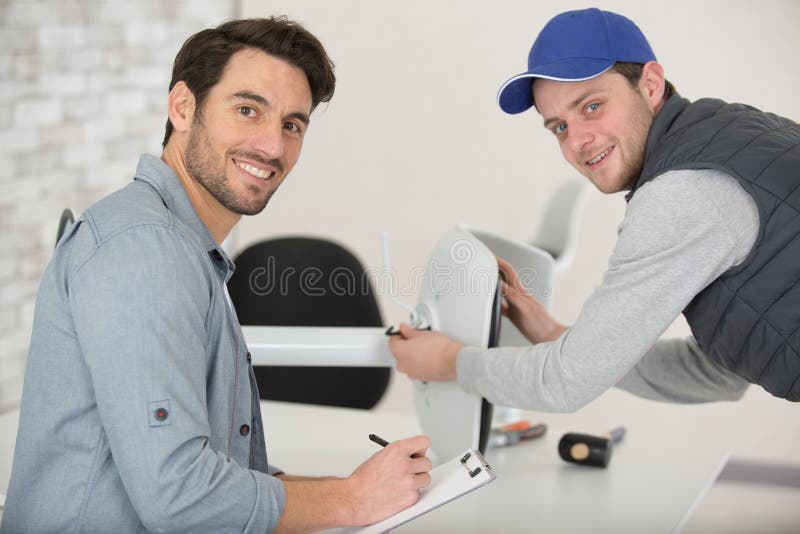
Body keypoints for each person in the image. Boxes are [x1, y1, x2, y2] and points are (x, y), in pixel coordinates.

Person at [2, 17, 431, 533]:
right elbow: (180, 496)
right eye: (248, 110)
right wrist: (352, 502)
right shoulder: (144, 250)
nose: (272, 146)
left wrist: (357, 490)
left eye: (292, 125)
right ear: (183, 107)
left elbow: (210, 469)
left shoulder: (184, 249)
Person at [390, 8, 800, 410]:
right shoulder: (733, 131)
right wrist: (555, 335)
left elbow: (564, 383)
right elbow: (717, 374)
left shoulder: (683, 194)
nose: (577, 141)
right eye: (559, 126)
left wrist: (447, 362)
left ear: (651, 84)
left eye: (591, 106)